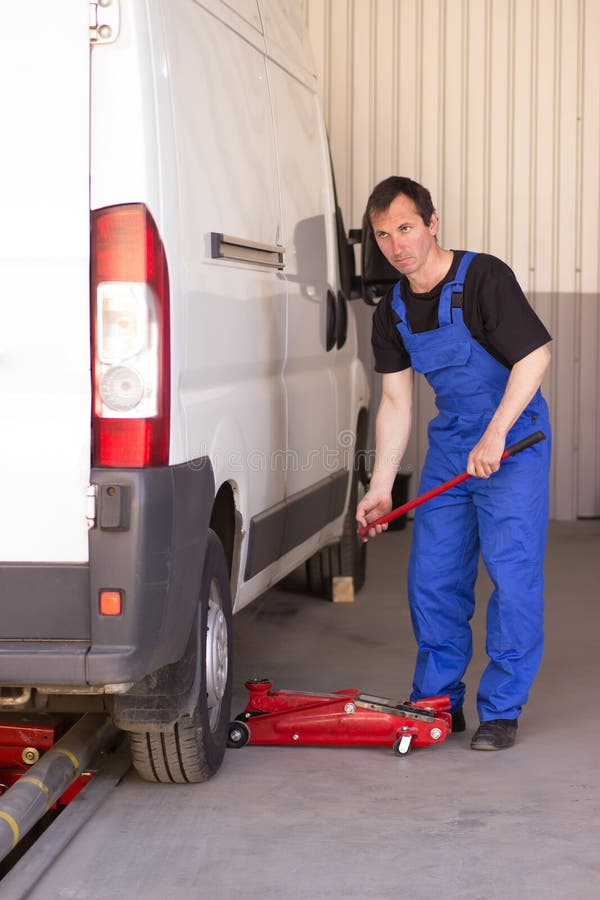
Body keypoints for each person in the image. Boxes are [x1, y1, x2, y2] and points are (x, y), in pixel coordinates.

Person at [356, 176, 552, 751]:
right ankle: (438, 701)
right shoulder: (390, 309)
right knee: (433, 579)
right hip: (451, 449)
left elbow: (535, 355)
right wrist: (382, 486)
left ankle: (501, 709)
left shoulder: (484, 277)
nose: (397, 245)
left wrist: (495, 435)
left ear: (432, 222)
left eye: (406, 227)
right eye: (384, 234)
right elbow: (396, 402)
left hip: (511, 443)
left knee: (513, 578)